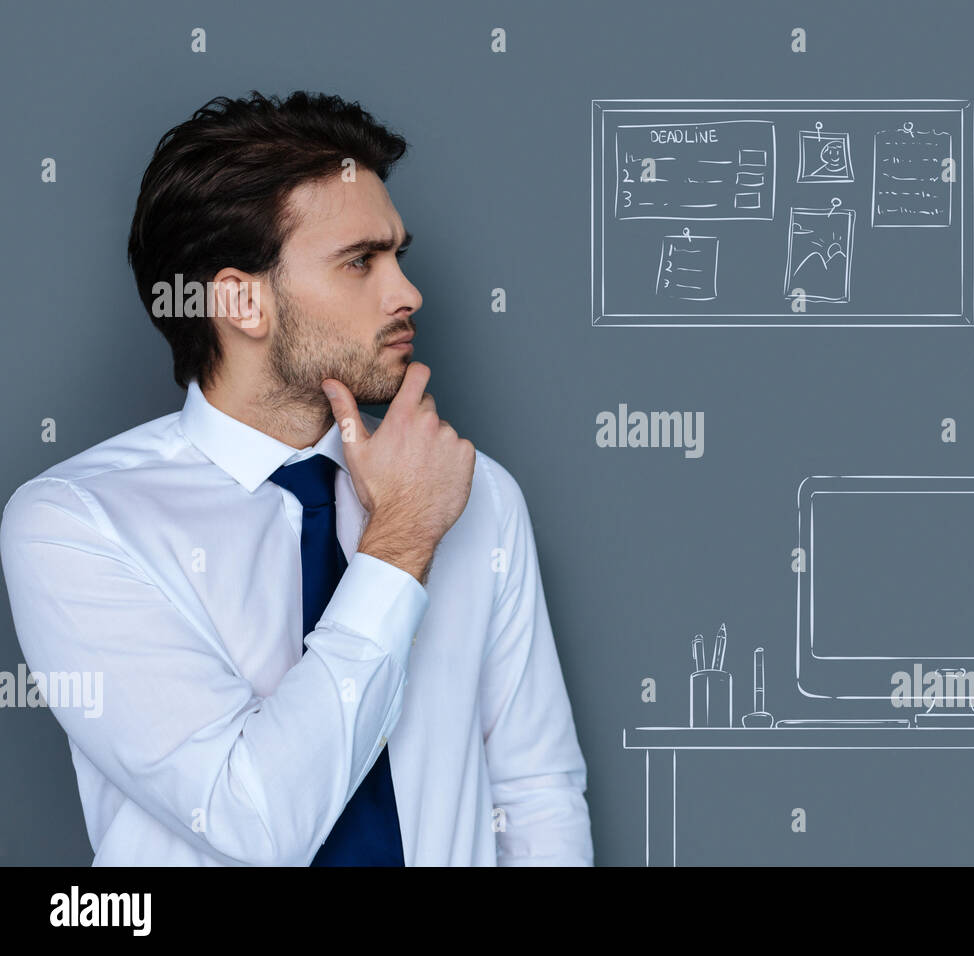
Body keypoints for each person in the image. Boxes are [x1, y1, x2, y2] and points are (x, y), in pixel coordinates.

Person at [0, 91, 593, 866]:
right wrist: (401, 544)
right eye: (360, 263)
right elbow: (251, 820)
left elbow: (534, 790)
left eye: (398, 256)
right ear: (242, 300)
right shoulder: (77, 522)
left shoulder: (476, 492)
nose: (406, 293)